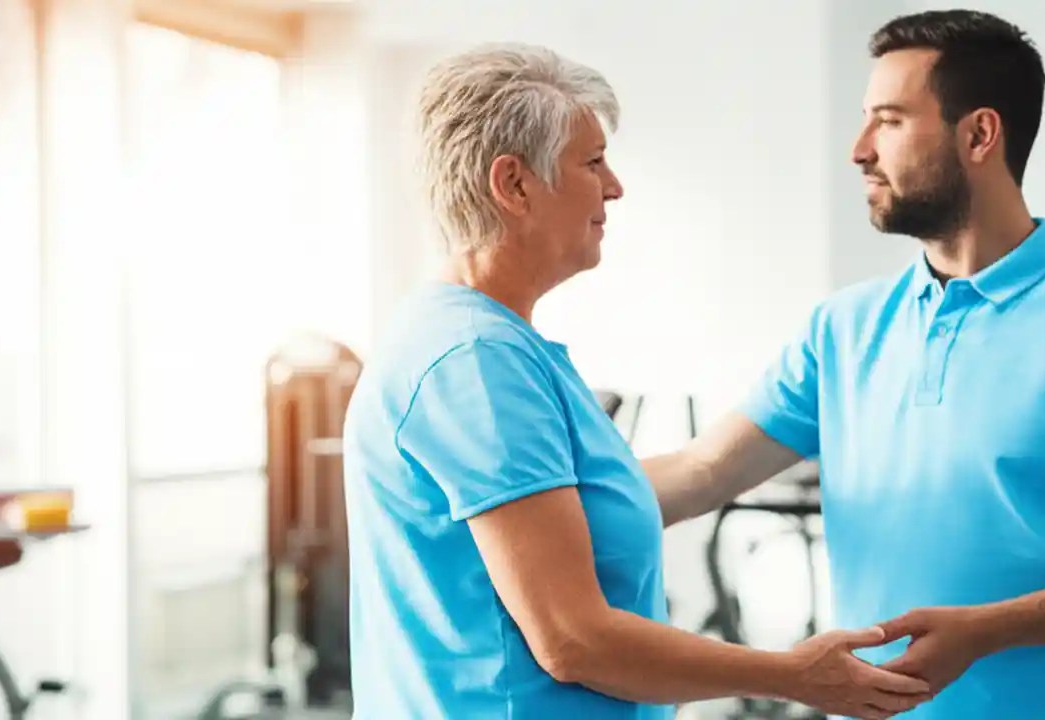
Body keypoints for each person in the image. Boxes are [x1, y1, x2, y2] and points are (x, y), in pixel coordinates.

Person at [643, 10, 1045, 720]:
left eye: (890, 121)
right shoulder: (842, 328)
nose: (859, 150)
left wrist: (988, 630)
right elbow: (702, 471)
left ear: (980, 134)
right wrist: (525, 511)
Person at [341, 43, 931, 720]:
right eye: (592, 163)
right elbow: (574, 639)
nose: (614, 186)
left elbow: (653, 486)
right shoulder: (474, 362)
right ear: (514, 185)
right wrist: (793, 675)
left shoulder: (477, 340)